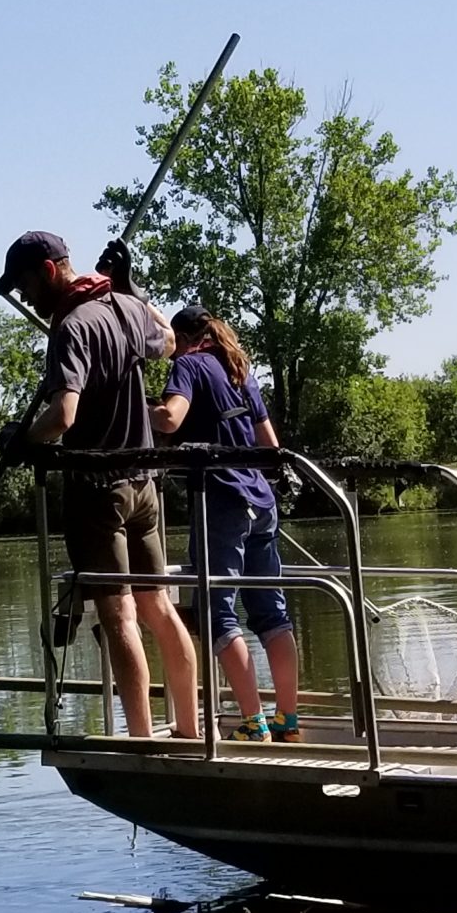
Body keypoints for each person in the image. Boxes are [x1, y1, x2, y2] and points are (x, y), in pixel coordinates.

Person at [0, 231, 201, 739]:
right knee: (159, 606)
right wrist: (134, 289)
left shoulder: (71, 325)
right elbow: (171, 342)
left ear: (48, 271)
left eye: (23, 283)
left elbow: (64, 415)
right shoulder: (127, 309)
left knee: (120, 616)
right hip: (145, 485)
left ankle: (139, 739)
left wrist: (21, 440)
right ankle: (188, 729)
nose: (22, 296)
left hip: (98, 491)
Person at [155, 306, 301, 741]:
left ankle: (254, 724)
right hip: (262, 499)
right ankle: (287, 723)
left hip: (221, 501)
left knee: (218, 614)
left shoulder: (188, 365)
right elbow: (270, 445)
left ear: (183, 337)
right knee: (273, 614)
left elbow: (171, 418)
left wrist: (139, 409)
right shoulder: (240, 371)